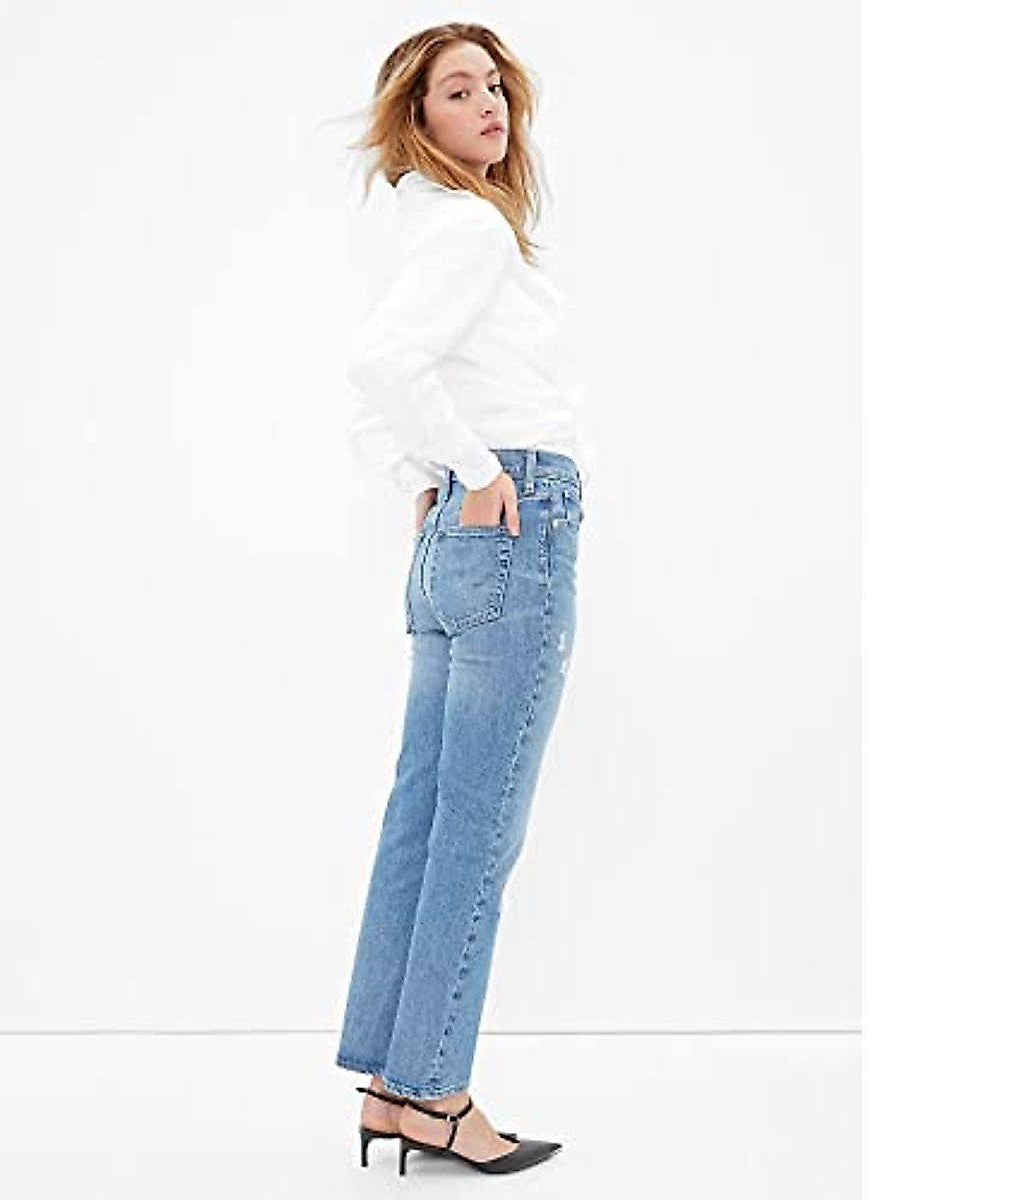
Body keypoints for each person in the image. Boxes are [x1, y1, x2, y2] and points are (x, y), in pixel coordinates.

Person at [334, 22, 592, 1176]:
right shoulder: (470, 230)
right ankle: (437, 1093)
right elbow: (382, 366)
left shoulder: (436, 230)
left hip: (461, 533)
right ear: (417, 118)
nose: (489, 103)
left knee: (429, 814)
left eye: (495, 84)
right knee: (477, 827)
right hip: (512, 519)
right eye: (458, 90)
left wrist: (432, 480)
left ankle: (394, 1083)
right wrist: (479, 474)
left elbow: (383, 387)